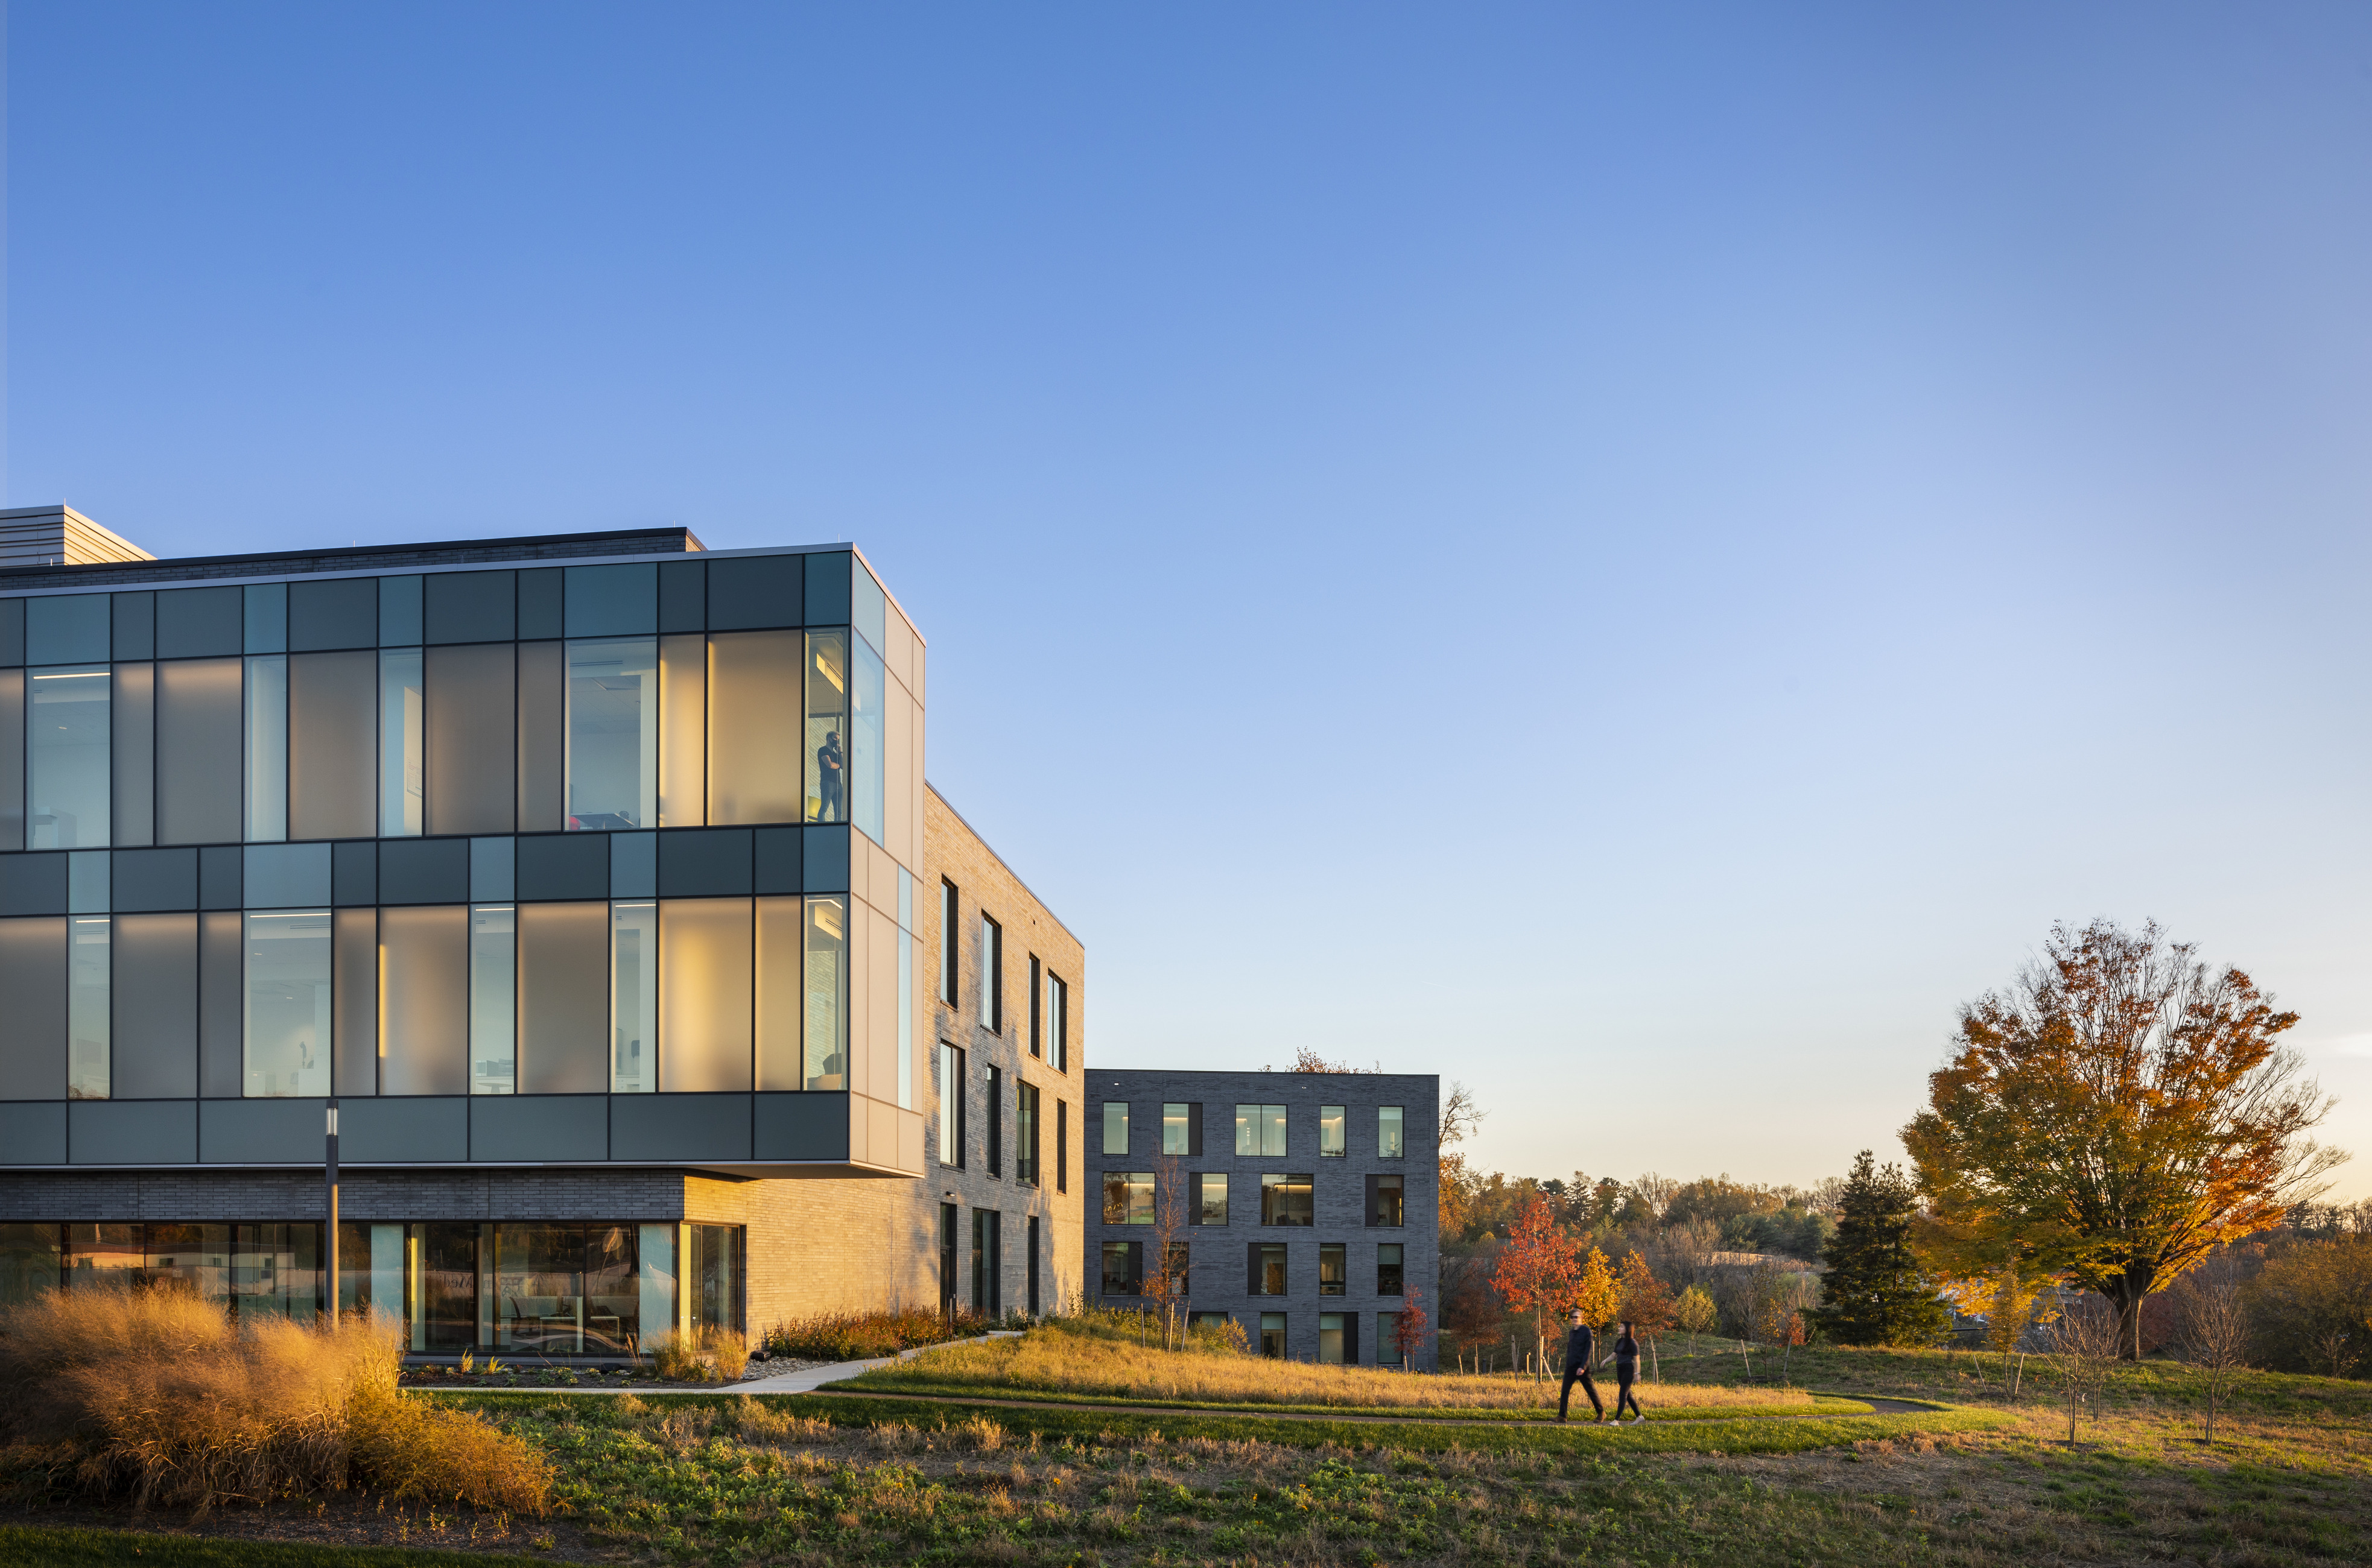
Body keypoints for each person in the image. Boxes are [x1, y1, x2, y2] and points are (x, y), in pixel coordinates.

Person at [1556, 1307, 1603, 1423]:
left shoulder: (1586, 1331)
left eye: (1577, 1317)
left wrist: (1582, 1367)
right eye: (1572, 1317)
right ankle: (1562, 1416)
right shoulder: (1572, 1332)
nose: (1574, 1319)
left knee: (1590, 1390)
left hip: (1582, 1367)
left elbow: (1588, 1350)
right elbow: (1570, 1349)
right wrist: (1568, 1364)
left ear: (1581, 1318)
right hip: (1571, 1366)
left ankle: (1601, 1413)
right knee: (1565, 1391)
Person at [1606, 1319, 1646, 1423]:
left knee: (1623, 1394)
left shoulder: (1633, 1343)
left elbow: (1636, 1359)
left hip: (1629, 1370)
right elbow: (1614, 1355)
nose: (1619, 1328)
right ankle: (1639, 1416)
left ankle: (1616, 1421)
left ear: (1628, 1329)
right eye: (1620, 1326)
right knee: (1628, 1395)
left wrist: (1638, 1374)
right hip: (1620, 1369)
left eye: (1622, 1327)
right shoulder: (1620, 1341)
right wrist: (1605, 1361)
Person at [816, 730, 845, 821]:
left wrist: (840, 753)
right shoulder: (823, 750)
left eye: (838, 739)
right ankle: (821, 827)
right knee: (824, 807)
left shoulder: (835, 754)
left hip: (838, 784)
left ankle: (837, 830)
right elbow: (830, 765)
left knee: (839, 811)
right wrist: (838, 765)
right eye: (835, 738)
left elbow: (843, 766)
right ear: (829, 738)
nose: (837, 741)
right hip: (827, 782)